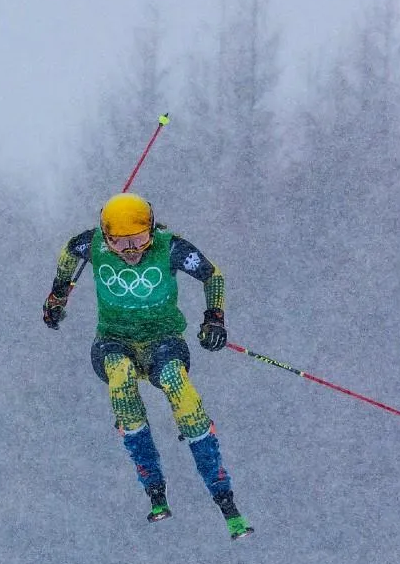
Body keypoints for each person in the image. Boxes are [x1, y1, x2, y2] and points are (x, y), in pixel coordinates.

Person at [42, 193, 254, 540]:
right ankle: (153, 486)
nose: (130, 251)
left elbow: (212, 275)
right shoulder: (91, 245)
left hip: (163, 340)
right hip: (114, 341)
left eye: (139, 240)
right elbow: (68, 254)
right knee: (121, 379)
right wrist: (57, 296)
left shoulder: (169, 248)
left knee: (177, 385)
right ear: (105, 236)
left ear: (152, 231)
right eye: (119, 243)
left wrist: (214, 318)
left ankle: (223, 494)